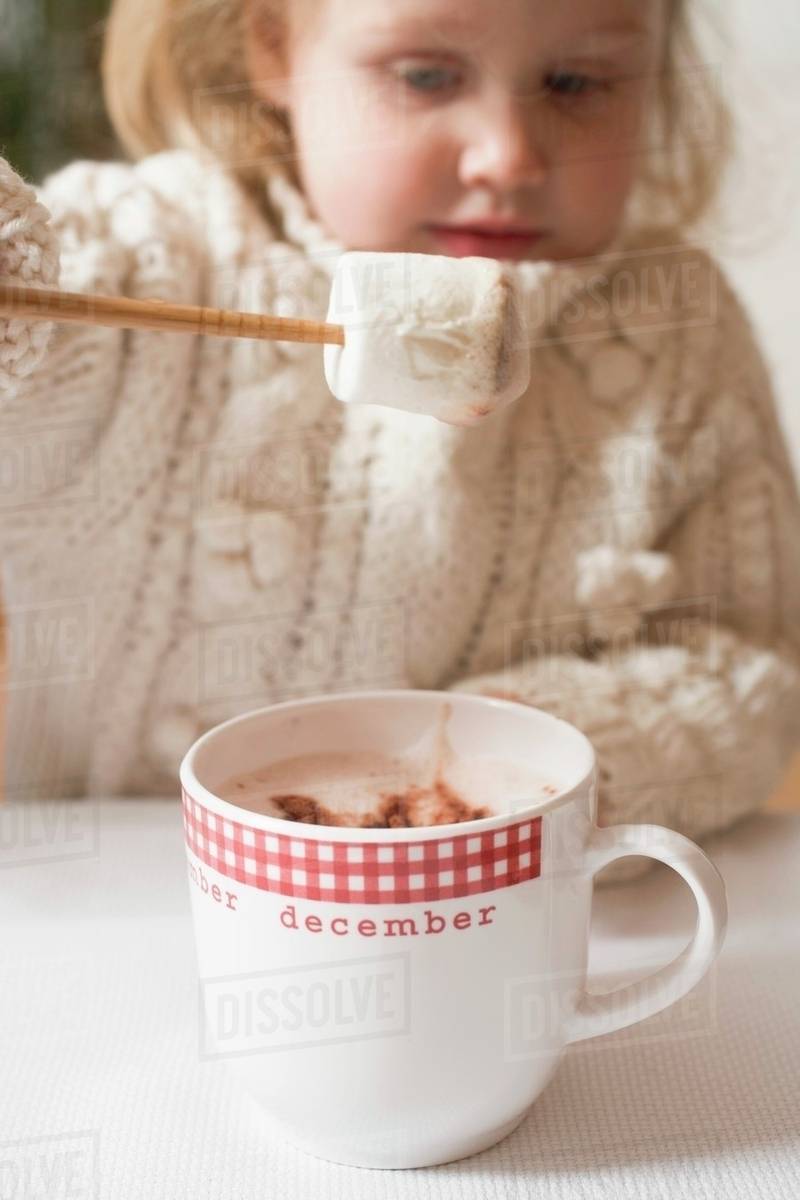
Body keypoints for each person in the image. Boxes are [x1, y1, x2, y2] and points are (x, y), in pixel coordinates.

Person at [1, 0, 798, 884]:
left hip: (487, 930)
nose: (509, 156)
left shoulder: (679, 339)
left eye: (577, 82)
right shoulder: (140, 253)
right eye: (425, 77)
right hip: (91, 899)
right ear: (271, 46)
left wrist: (530, 758)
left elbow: (752, 668)